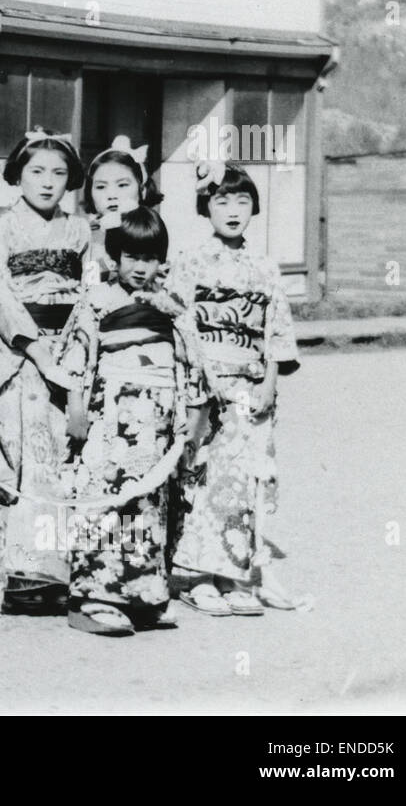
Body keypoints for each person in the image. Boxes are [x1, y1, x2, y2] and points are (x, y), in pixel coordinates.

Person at [57, 207, 206, 635]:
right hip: (109, 417)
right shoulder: (98, 299)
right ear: (115, 257)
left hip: (156, 422)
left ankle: (142, 594)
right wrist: (76, 410)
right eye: (131, 257)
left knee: (148, 506)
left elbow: (191, 364)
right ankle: (93, 598)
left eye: (150, 258)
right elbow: (77, 358)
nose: (140, 268)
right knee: (106, 504)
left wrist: (191, 416)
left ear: (162, 260)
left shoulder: (172, 305)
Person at [165, 162, 300, 616]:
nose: (233, 210)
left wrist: (268, 384)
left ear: (254, 208)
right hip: (202, 383)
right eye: (222, 200)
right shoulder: (189, 261)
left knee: (241, 478)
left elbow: (277, 333)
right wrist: (193, 385)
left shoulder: (264, 267)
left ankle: (233, 573)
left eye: (242, 200)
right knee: (199, 474)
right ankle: (195, 576)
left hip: (248, 383)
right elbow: (180, 326)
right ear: (206, 206)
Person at [0, 128, 90, 615]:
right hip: (20, 353)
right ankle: (21, 580)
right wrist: (34, 347)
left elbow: (89, 295)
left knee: (63, 457)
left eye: (59, 173)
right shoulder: (0, 228)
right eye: (36, 171)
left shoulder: (80, 230)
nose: (48, 183)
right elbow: (0, 293)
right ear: (17, 175)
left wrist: (69, 350)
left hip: (68, 350)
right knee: (22, 459)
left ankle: (57, 576)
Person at [80, 135, 163, 283]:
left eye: (122, 185)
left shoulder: (150, 229)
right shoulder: (87, 235)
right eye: (101, 187)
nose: (112, 195)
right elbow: (89, 282)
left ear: (141, 189)